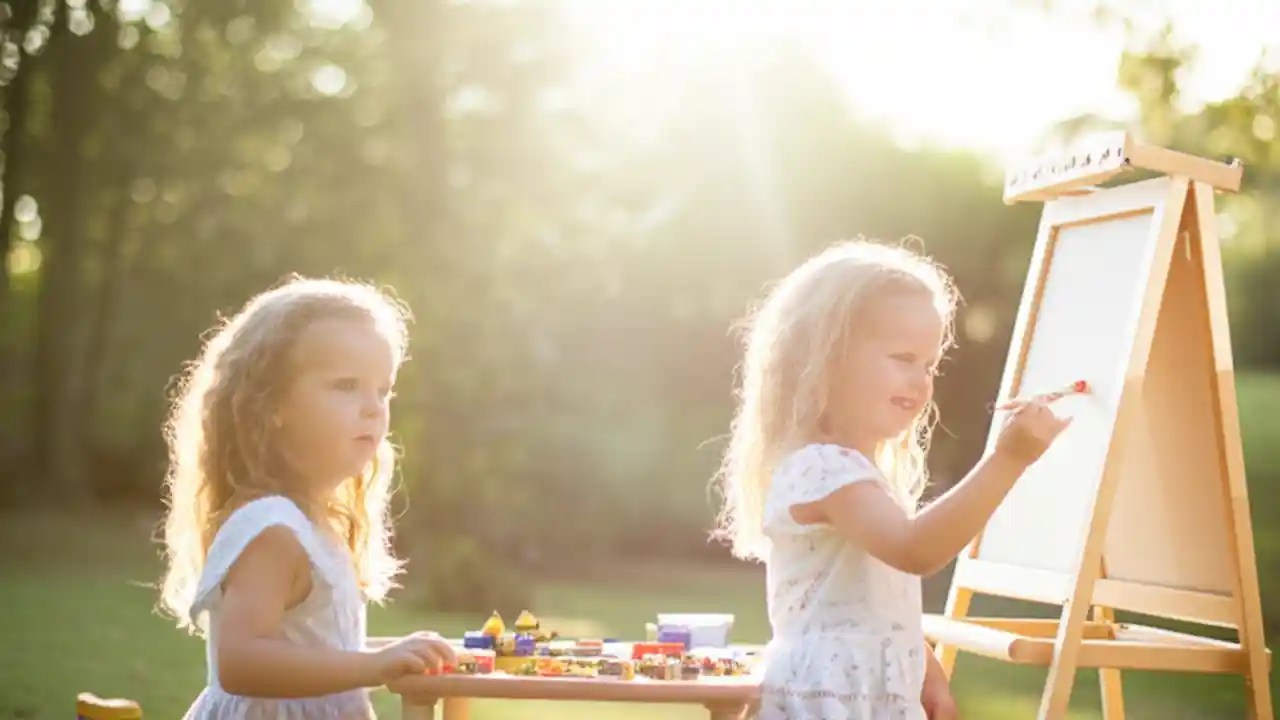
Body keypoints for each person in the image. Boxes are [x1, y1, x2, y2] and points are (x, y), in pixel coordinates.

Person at [713, 240, 1071, 719]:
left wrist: (926, 669)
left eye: (929, 365)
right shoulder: (822, 470)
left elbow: (870, 604)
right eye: (903, 358)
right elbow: (915, 550)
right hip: (825, 705)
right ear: (825, 357)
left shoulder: (856, 474)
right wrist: (1009, 458)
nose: (922, 380)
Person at [156, 276, 455, 719]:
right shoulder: (272, 528)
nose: (374, 407)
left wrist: (391, 654)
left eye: (383, 389)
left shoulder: (313, 523)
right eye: (346, 385)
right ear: (272, 404)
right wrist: (372, 665)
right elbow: (241, 663)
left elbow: (315, 648)